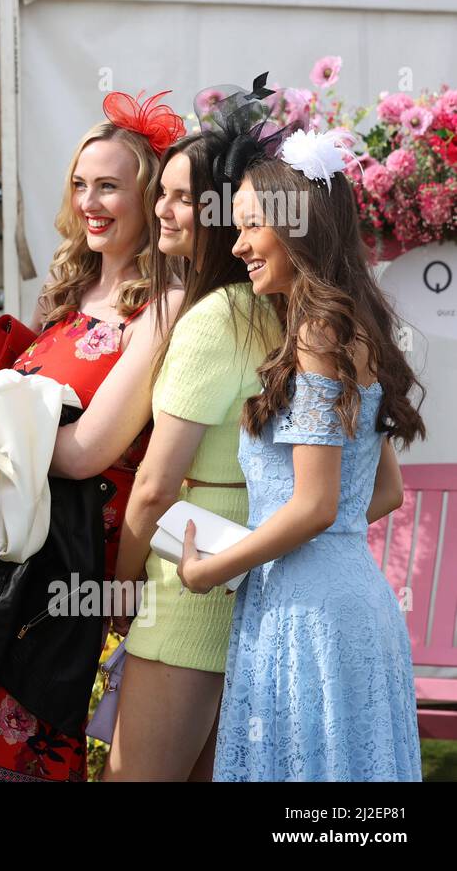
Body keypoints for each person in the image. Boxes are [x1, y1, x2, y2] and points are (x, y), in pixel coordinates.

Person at [178, 137, 424, 781]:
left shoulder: (318, 332)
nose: (236, 246)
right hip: (344, 601)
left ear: (299, 224)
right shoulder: (354, 325)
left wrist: (212, 570)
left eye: (252, 225)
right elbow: (382, 490)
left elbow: (315, 506)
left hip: (309, 613)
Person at [0, 91, 185, 782]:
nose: (90, 202)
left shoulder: (165, 304)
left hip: (91, 571)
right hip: (19, 560)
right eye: (80, 185)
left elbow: (90, 448)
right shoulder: (69, 289)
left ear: (150, 199)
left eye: (110, 186)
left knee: (39, 750)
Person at [107, 79, 284, 781]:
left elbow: (152, 489)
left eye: (183, 197)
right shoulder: (270, 304)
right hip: (251, 575)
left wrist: (118, 595)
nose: (162, 209)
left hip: (188, 581)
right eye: (163, 193)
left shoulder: (214, 320)